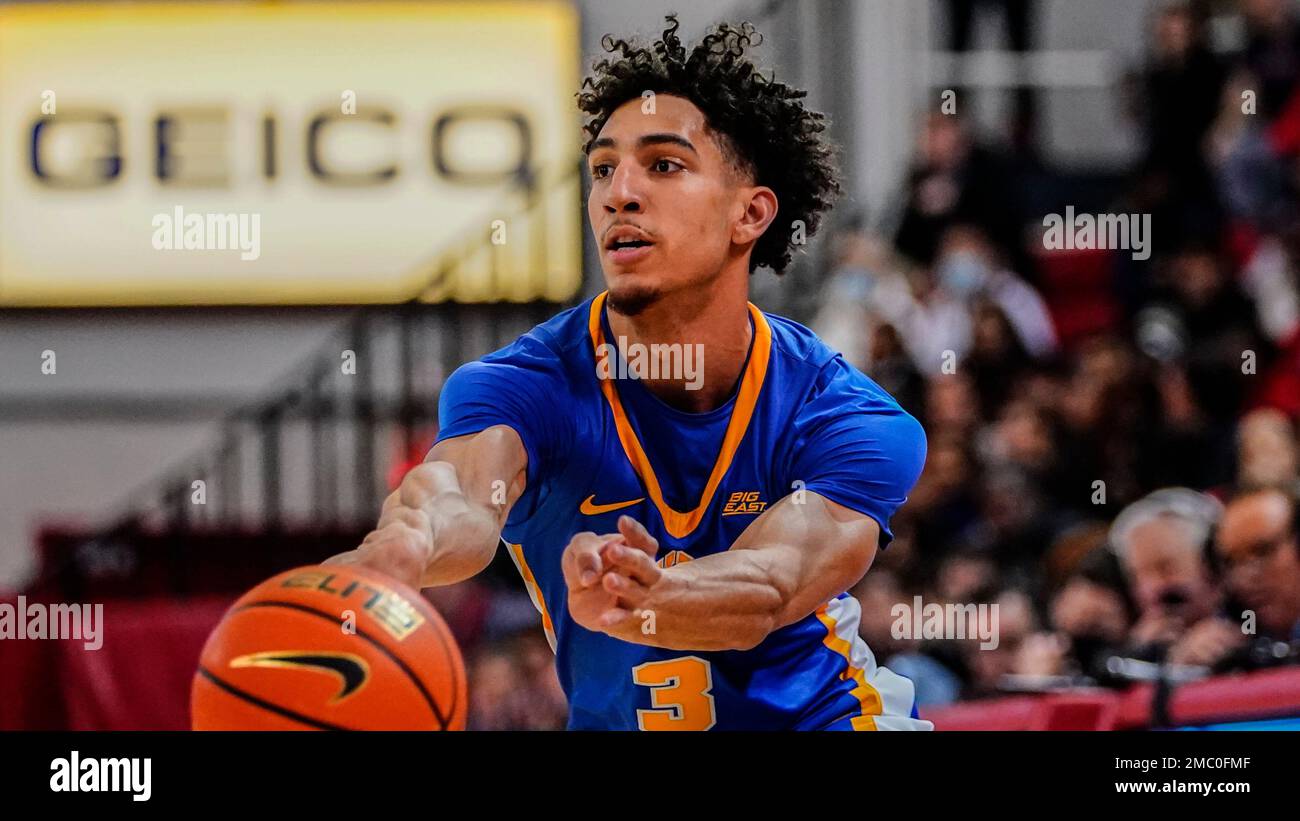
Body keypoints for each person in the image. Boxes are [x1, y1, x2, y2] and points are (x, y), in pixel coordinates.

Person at [325, 16, 930, 731]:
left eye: (664, 165)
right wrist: (411, 540)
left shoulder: (843, 412)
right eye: (604, 169)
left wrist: (647, 593)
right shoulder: (527, 384)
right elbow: (463, 495)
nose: (620, 193)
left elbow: (771, 586)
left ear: (751, 213)